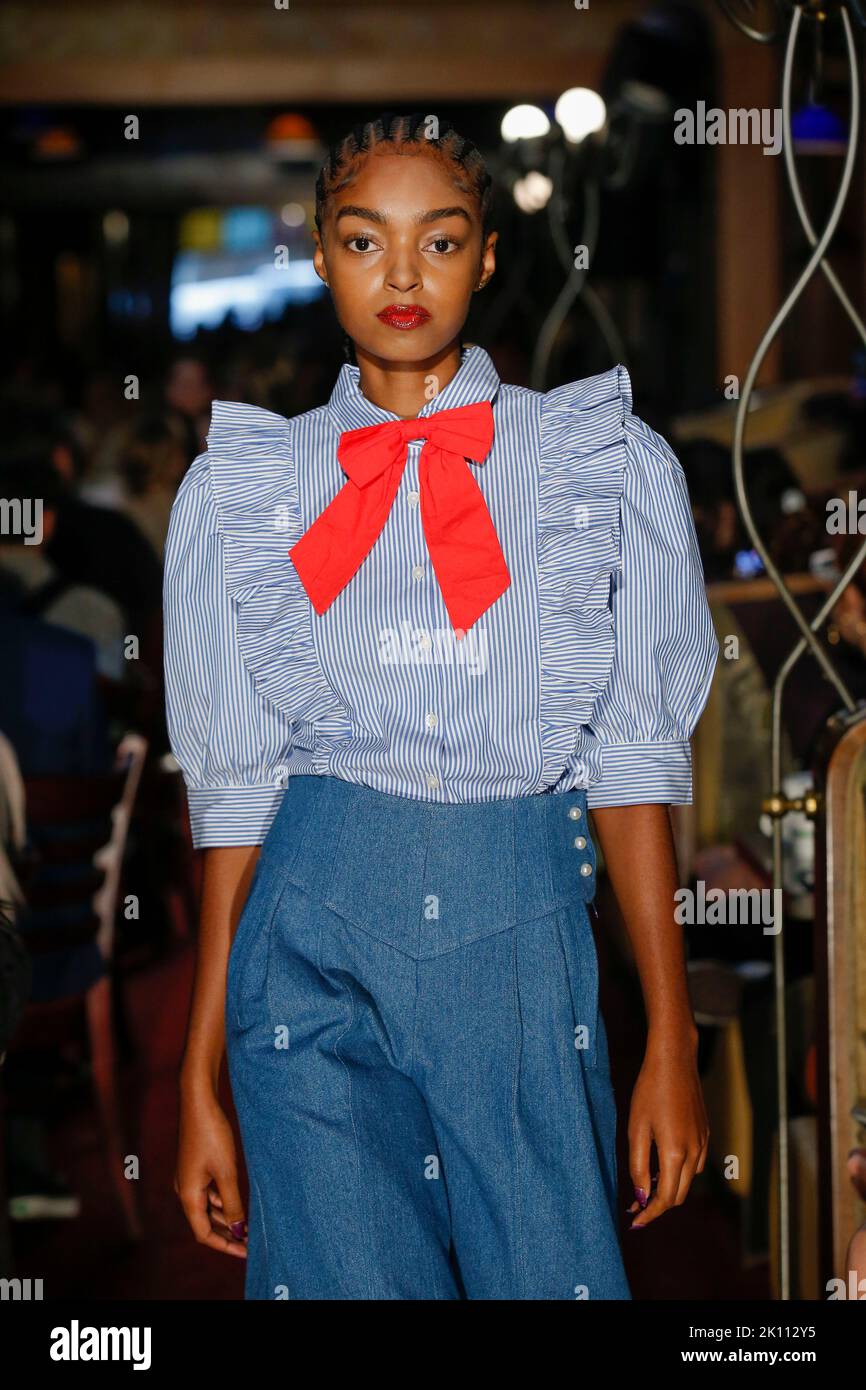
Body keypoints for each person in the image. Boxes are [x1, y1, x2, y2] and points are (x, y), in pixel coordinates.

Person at [164, 112, 719, 1301]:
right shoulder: (245, 485)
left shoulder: (595, 464)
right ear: (319, 253)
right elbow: (234, 790)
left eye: (440, 240)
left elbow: (628, 761)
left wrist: (668, 1035)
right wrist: (197, 1074)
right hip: (303, 940)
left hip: (518, 934)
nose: (402, 277)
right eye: (365, 241)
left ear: (486, 258)